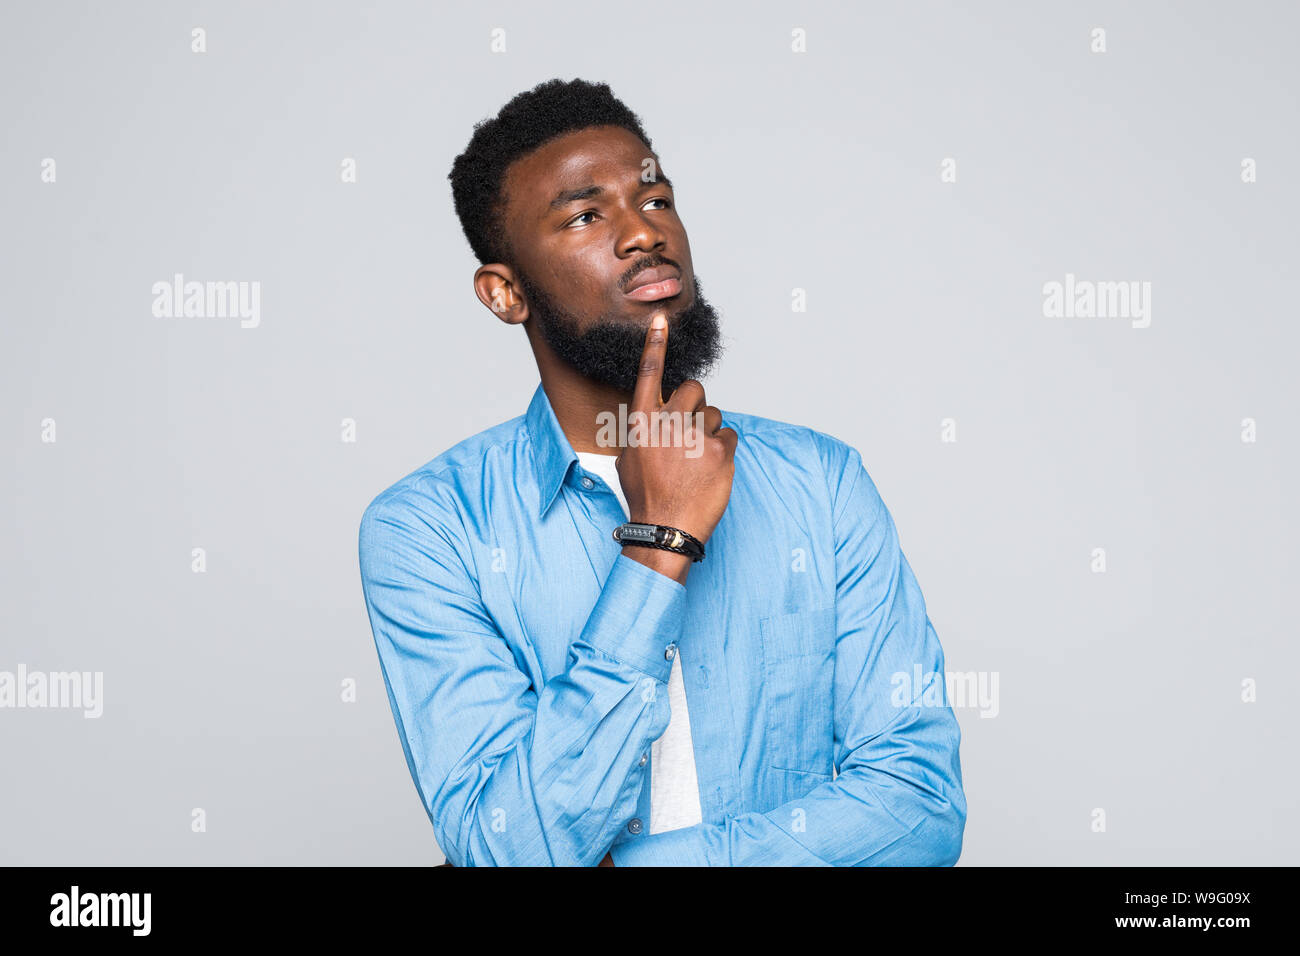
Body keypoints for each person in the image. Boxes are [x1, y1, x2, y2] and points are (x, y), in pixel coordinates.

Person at [358, 78, 966, 866]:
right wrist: (659, 545)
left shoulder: (821, 483)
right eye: (585, 215)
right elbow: (507, 848)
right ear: (505, 293)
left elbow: (919, 807)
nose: (643, 234)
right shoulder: (428, 530)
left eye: (655, 199)